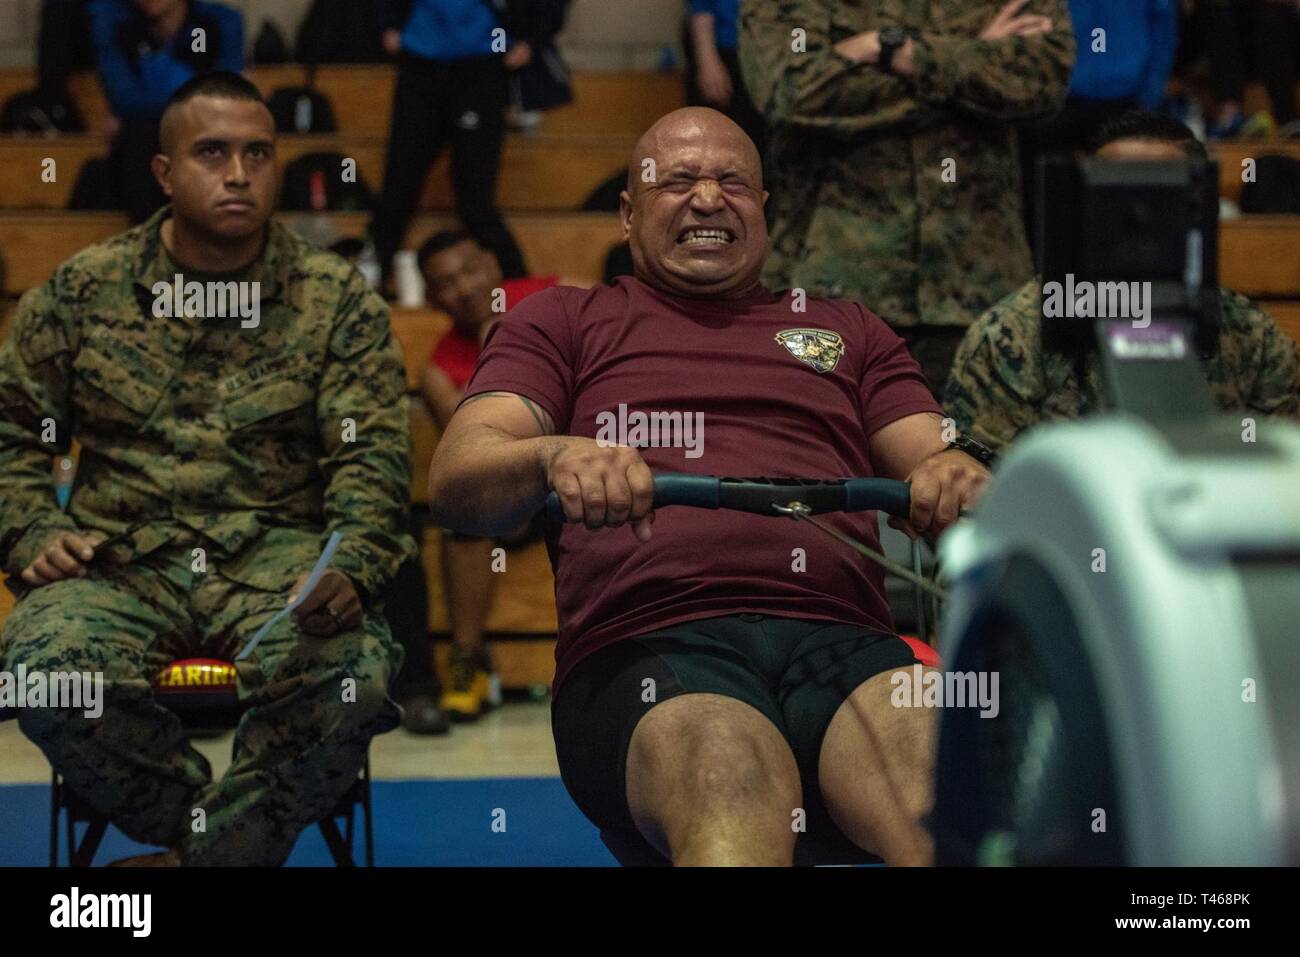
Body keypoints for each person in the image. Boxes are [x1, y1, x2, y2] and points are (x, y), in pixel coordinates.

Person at [426, 107, 990, 866]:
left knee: (943, 792)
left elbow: (937, 457)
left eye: (733, 181)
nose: (707, 198)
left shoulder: (847, 328)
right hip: (650, 645)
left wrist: (956, 475)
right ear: (629, 215)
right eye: (677, 181)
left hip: (847, 644)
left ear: (765, 211)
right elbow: (461, 475)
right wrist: (555, 456)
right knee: (727, 769)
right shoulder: (563, 319)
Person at [0, 73, 414, 866]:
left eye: (258, 153)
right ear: (163, 172)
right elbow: (10, 429)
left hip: (277, 563)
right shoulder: (87, 290)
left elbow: (372, 456)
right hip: (119, 563)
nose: (238, 174)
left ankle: (193, 864)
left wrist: (354, 565)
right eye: (212, 152)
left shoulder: (332, 300)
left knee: (356, 673)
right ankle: (220, 842)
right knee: (45, 670)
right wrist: (30, 528)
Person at [739, 0, 1076, 398]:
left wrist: (891, 50)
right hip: (833, 287)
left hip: (975, 286)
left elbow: (1041, 80)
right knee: (825, 453)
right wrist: (970, 55)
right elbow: (790, 91)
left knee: (974, 455)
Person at [945, 110, 1300, 454]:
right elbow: (986, 490)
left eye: (1154, 198)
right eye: (1116, 195)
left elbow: (1282, 476)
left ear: (1196, 206)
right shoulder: (1009, 336)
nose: (1135, 216)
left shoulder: (1253, 339)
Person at [419, 231, 557, 721]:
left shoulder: (555, 297)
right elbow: (475, 452)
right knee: (465, 514)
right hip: (519, 489)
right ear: (433, 299)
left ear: (494, 264)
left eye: (470, 270)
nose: (465, 288)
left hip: (588, 464)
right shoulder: (440, 367)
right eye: (446, 283)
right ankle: (467, 663)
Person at [367, 0, 561, 292]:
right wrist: (386, 25)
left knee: (476, 200)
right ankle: (362, 287)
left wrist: (532, 39)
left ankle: (522, 293)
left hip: (483, 63)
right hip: (419, 60)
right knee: (398, 189)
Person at [1018, 0, 1179, 238]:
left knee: (1124, 209)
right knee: (1046, 205)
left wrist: (1148, 94)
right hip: (1056, 102)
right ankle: (1047, 272)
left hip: (1125, 101)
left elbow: (1164, 24)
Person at [682, 1, 766, 164]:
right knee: (715, 145)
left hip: (774, 55)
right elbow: (701, 7)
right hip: (727, 51)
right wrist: (707, 59)